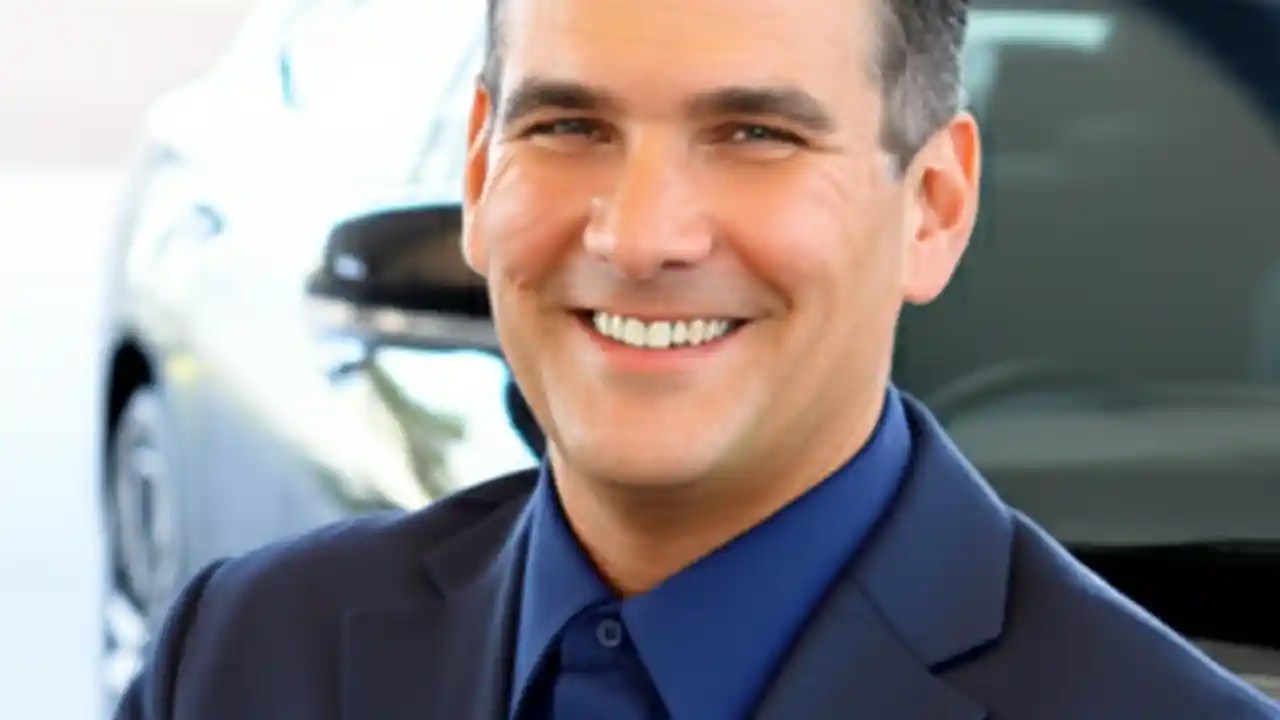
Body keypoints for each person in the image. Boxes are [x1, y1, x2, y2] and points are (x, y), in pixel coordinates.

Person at [116, 0, 1280, 718]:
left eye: (754, 135)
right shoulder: (238, 658)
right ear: (477, 173)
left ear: (930, 206)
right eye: (569, 126)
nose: (639, 237)